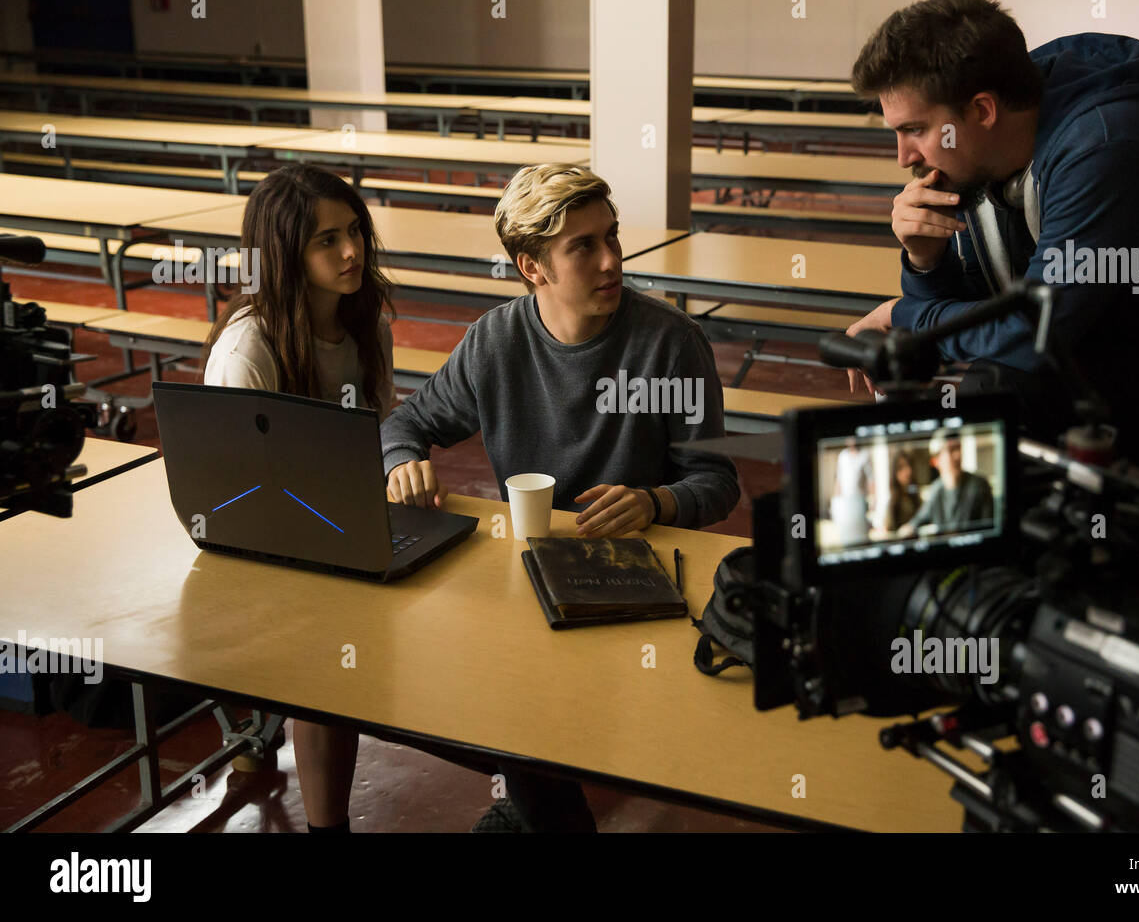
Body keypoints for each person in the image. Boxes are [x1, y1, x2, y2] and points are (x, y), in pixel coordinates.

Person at [381, 163, 741, 830]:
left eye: (612, 237)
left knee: (530, 732)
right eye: (583, 246)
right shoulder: (495, 340)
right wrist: (402, 460)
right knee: (419, 688)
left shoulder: (670, 343)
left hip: (636, 581)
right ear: (532, 266)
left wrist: (654, 502)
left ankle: (536, 812)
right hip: (527, 578)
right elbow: (405, 424)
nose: (612, 261)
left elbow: (717, 483)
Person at [843, 0, 1139, 486]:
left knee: (1002, 392)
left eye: (915, 129)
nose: (903, 157)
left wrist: (904, 315)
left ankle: (1121, 543)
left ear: (982, 110)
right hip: (1133, 333)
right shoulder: (984, 159)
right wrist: (925, 260)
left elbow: (1032, 335)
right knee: (1000, 390)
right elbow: (983, 312)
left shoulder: (1105, 147)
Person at [202, 163, 397, 834]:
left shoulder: (365, 324)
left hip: (336, 533)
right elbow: (229, 502)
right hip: (254, 556)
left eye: (355, 232)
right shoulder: (246, 350)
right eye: (327, 242)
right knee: (328, 651)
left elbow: (370, 448)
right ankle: (326, 826)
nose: (352, 253)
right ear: (284, 255)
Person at [897, 432, 993, 537]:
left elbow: (989, 530)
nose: (958, 455)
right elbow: (919, 520)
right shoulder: (935, 490)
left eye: (958, 448)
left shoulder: (980, 485)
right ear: (936, 460)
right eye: (951, 450)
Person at [883, 448, 922, 532]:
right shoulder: (893, 502)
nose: (908, 471)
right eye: (901, 468)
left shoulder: (914, 495)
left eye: (909, 465)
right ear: (895, 473)